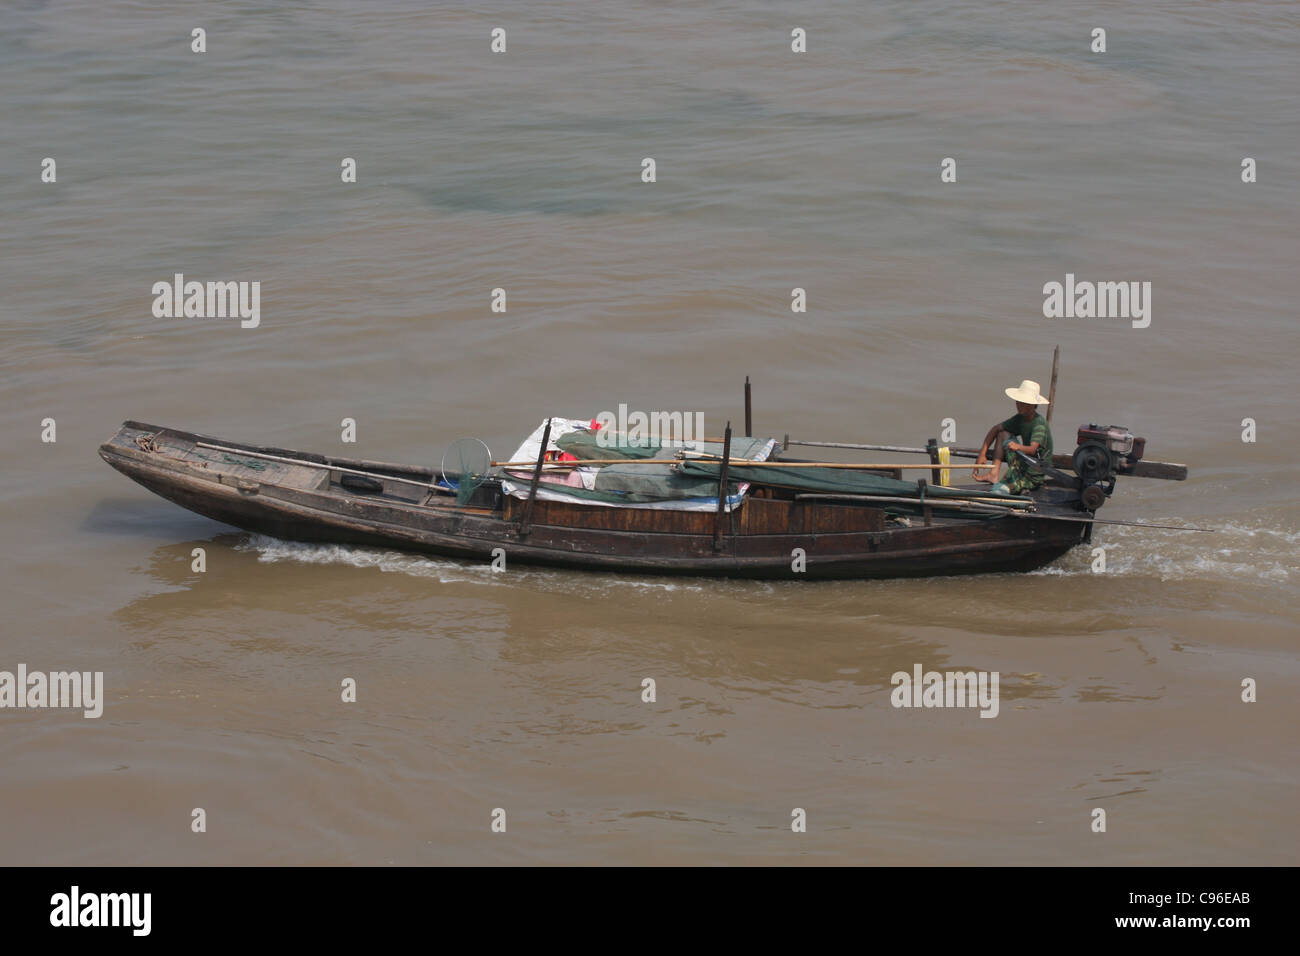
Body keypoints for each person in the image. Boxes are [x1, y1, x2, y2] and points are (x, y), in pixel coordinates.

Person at [973, 380, 1053, 495]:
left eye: (1023, 402)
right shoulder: (1020, 418)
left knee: (999, 491)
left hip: (1033, 473)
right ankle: (993, 473)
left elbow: (1033, 449)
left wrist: (1017, 446)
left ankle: (1015, 482)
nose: (1018, 404)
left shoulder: (1039, 424)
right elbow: (996, 429)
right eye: (1018, 401)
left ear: (1032, 405)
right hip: (1023, 462)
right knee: (1002, 433)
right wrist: (982, 454)